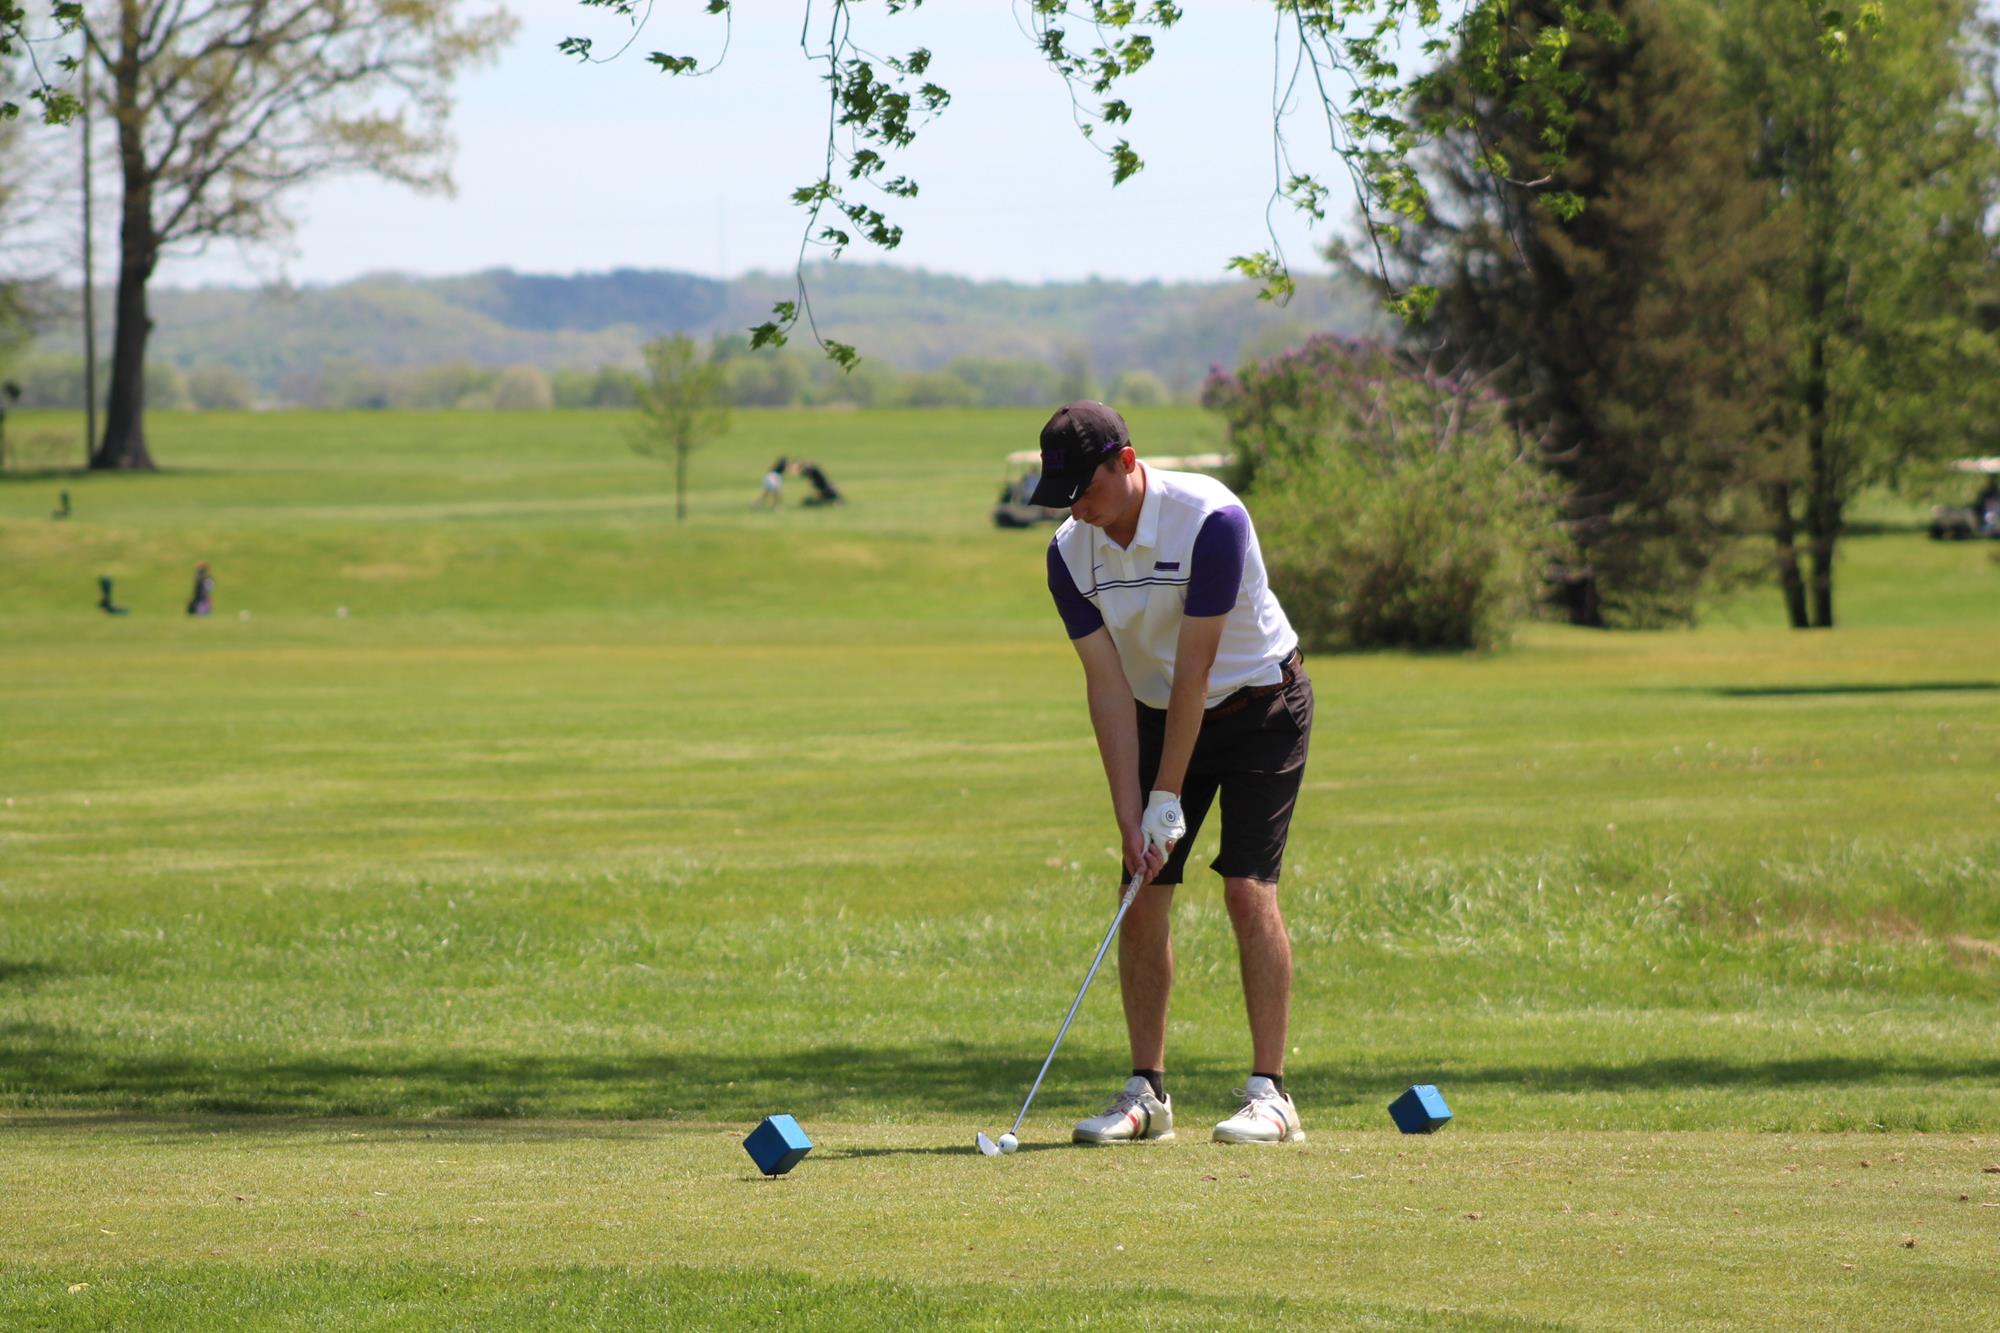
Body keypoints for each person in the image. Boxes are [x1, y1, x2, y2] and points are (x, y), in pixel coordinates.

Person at [1035, 400, 1313, 1147]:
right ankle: (1147, 1094)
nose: (1078, 512)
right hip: (1159, 710)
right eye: (1064, 499)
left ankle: (1271, 1093)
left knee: (1247, 887)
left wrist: (1167, 795)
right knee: (1140, 885)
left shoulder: (1211, 519)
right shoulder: (1070, 553)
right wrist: (1132, 814)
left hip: (1260, 703)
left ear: (1127, 462)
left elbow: (1197, 671)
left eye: (1084, 491)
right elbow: (1107, 688)